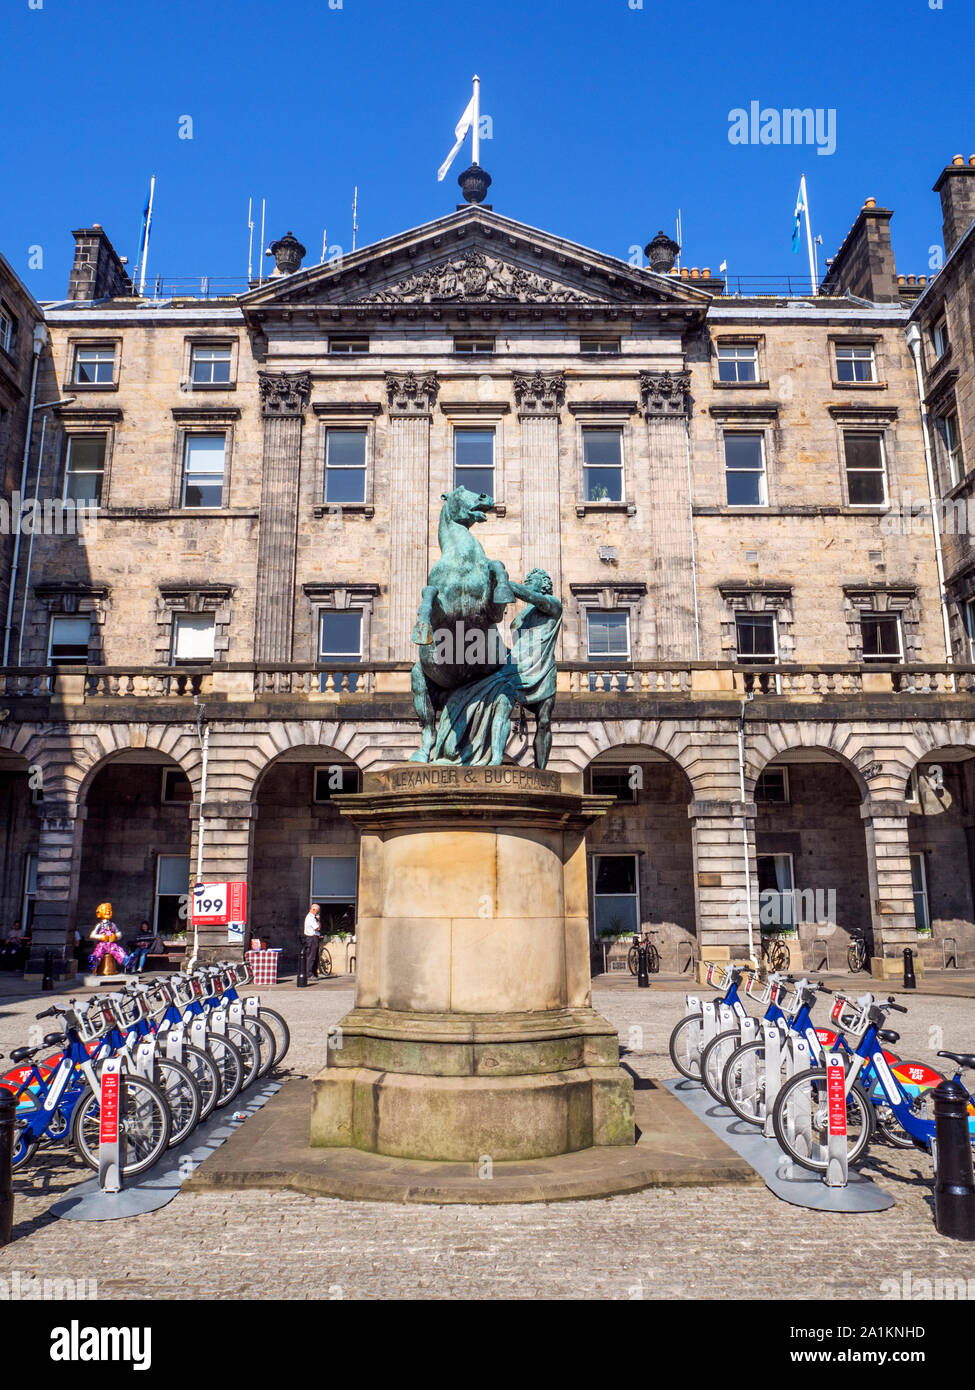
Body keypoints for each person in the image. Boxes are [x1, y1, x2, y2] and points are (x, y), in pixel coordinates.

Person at [303, 903, 321, 978]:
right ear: (313, 910)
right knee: (311, 956)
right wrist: (319, 920)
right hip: (311, 938)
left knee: (315, 956)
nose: (318, 912)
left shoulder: (312, 917)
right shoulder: (310, 917)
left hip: (314, 937)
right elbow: (318, 928)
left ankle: (314, 973)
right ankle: (309, 974)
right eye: (317, 911)